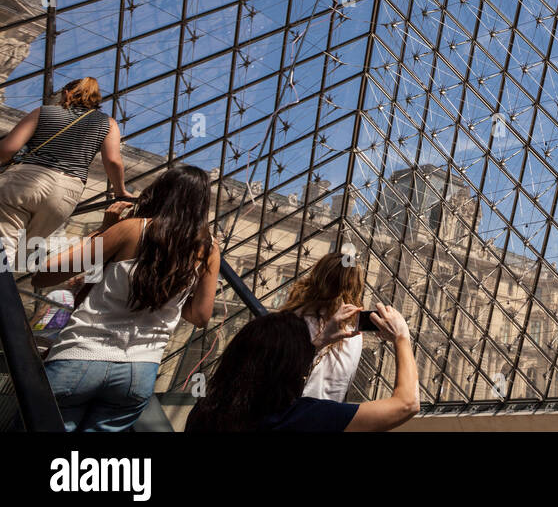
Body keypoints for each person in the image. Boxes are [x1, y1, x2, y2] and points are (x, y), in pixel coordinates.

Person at [33, 164, 220, 431]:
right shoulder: (209, 248)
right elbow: (200, 316)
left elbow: (45, 275)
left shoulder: (132, 229)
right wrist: (175, 289)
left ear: (160, 192)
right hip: (139, 371)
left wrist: (104, 232)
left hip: (81, 355)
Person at [185, 304, 419, 432]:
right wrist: (402, 337)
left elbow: (273, 362)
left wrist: (317, 343)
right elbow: (406, 404)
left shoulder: (204, 412)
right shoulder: (302, 418)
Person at [0, 77, 133, 257]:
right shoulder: (107, 123)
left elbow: (7, 149)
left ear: (66, 93)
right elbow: (113, 161)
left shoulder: (44, 112)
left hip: (25, 179)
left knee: (4, 248)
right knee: (19, 255)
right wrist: (120, 191)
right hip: (65, 193)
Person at [279, 251, 364, 401]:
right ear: (356, 287)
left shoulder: (292, 320)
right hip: (326, 417)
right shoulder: (354, 335)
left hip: (287, 410)